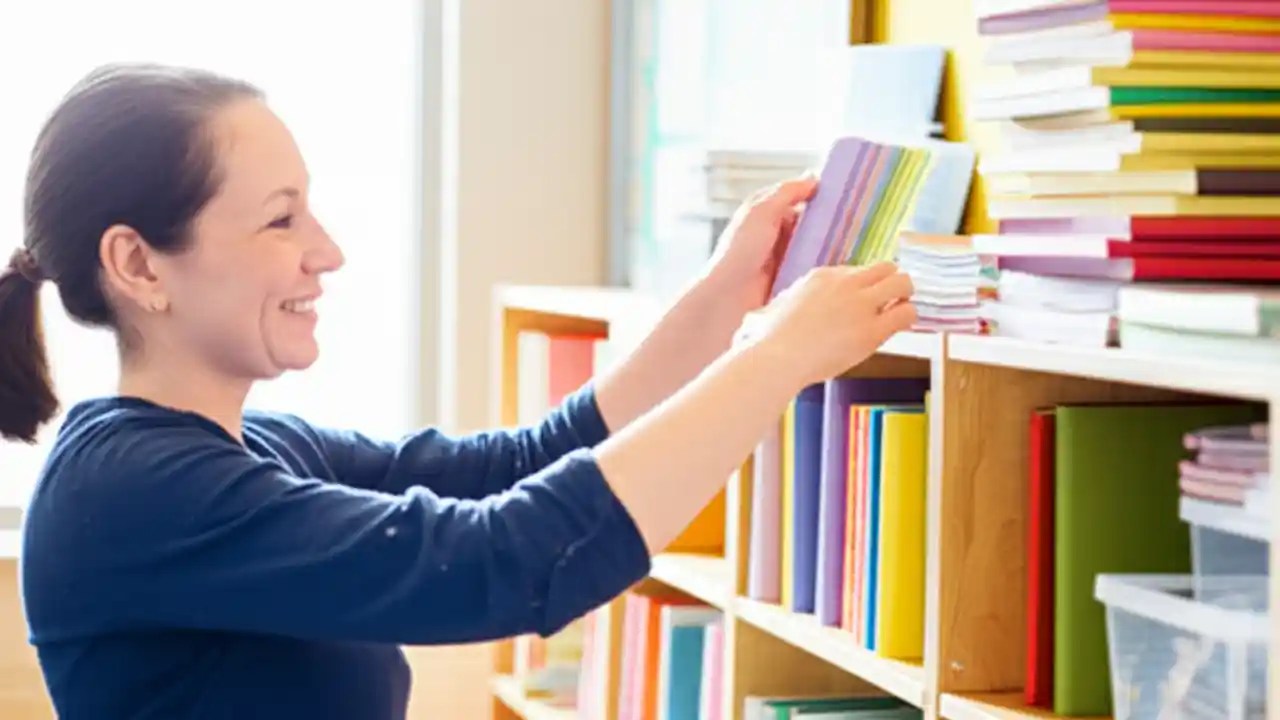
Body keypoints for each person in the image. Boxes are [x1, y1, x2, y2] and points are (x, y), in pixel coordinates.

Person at [0, 63, 916, 719]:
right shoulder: (131, 492)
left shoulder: (254, 449)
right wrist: (777, 359)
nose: (327, 251)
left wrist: (723, 298)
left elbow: (521, 464)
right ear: (137, 264)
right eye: (282, 219)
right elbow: (506, 562)